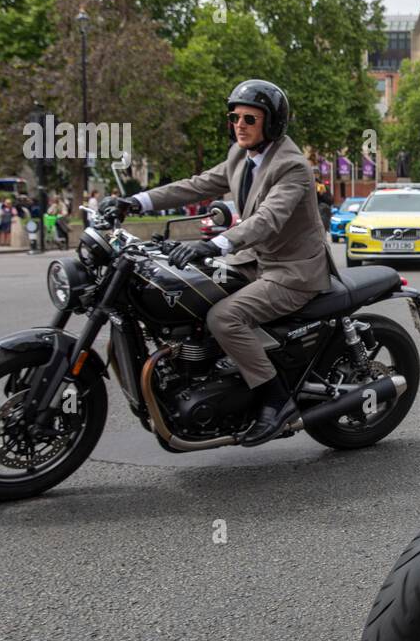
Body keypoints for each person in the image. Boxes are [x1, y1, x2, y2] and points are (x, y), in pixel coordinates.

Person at [101, 79, 332, 446]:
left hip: (291, 271)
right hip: (252, 259)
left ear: (271, 123)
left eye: (249, 119)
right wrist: (135, 203)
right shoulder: (240, 155)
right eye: (235, 117)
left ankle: (276, 398)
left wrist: (214, 245)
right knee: (193, 292)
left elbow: (268, 219)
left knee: (224, 317)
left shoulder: (292, 166)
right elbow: (196, 185)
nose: (239, 125)